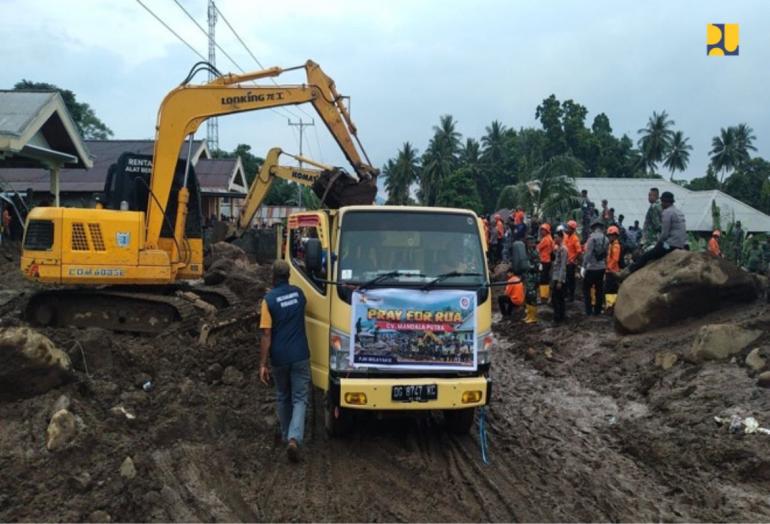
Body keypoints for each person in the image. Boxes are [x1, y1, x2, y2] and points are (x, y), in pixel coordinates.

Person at [259, 260, 311, 463]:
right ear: (289, 275)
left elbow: (266, 334)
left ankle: (285, 434)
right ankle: (294, 438)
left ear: (273, 276)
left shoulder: (268, 301)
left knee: (282, 395)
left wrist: (262, 364)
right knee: (299, 398)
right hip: (300, 354)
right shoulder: (299, 294)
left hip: (279, 357)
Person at [622, 191, 687, 277]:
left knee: (646, 255)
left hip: (670, 245)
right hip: (681, 244)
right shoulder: (679, 212)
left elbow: (664, 233)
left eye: (662, 202)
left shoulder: (667, 212)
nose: (661, 204)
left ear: (665, 202)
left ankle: (627, 272)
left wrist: (658, 244)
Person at [582, 220, 608, 316]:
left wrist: (584, 266)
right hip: (601, 268)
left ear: (594, 228)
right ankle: (597, 311)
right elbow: (606, 254)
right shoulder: (606, 239)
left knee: (586, 289)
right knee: (599, 289)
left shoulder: (591, 238)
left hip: (591, 267)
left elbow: (588, 254)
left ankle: (588, 311)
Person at [550, 230, 568, 322]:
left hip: (560, 278)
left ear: (561, 237)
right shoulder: (558, 249)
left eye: (556, 237)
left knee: (557, 299)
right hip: (556, 276)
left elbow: (563, 266)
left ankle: (558, 317)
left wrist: (560, 281)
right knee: (557, 298)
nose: (554, 239)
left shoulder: (564, 249)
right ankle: (560, 316)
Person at [564, 220, 582, 301]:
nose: (567, 229)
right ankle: (567, 295)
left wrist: (573, 259)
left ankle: (571, 296)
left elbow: (579, 251)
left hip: (571, 263)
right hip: (566, 262)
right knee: (566, 279)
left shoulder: (575, 239)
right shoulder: (567, 237)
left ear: (572, 229)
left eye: (569, 228)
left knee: (571, 280)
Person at [604, 225, 622, 310]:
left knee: (610, 290)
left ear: (615, 235)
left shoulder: (616, 246)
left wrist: (608, 268)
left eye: (611, 235)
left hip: (612, 271)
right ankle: (610, 306)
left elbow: (615, 259)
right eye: (609, 235)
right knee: (610, 289)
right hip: (610, 270)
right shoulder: (611, 245)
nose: (610, 237)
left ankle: (610, 306)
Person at [536, 223, 554, 302]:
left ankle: (543, 296)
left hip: (544, 261)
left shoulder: (545, 239)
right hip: (547, 261)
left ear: (546, 231)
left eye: (543, 230)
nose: (541, 232)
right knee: (545, 278)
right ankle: (545, 295)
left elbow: (538, 248)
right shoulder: (550, 238)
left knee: (543, 279)